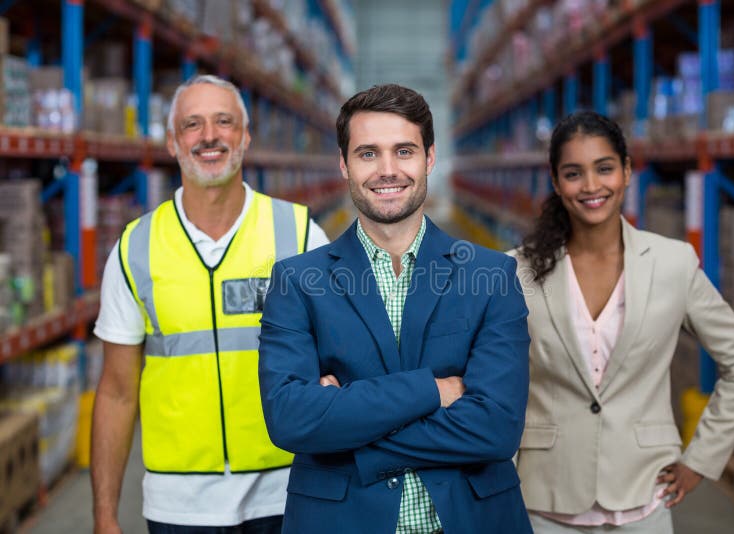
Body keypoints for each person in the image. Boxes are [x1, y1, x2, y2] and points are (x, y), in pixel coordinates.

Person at [257, 83, 533, 534]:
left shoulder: (491, 276)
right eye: (368, 154)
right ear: (343, 164)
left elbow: (496, 428)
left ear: (430, 158)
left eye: (403, 151)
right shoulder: (296, 281)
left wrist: (345, 423)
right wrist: (434, 392)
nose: (388, 171)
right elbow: (291, 420)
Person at [90, 74, 330, 534]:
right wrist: (104, 515)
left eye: (224, 122)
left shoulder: (299, 235)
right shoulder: (134, 248)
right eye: (192, 125)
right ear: (172, 142)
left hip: (287, 491)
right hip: (179, 505)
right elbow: (117, 392)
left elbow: (342, 364)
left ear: (245, 135)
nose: (210, 136)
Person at [510, 110, 734, 533]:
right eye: (574, 173)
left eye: (605, 168)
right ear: (556, 183)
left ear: (627, 172)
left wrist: (701, 459)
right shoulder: (515, 272)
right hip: (543, 501)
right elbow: (492, 381)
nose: (592, 186)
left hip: (643, 501)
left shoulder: (671, 263)